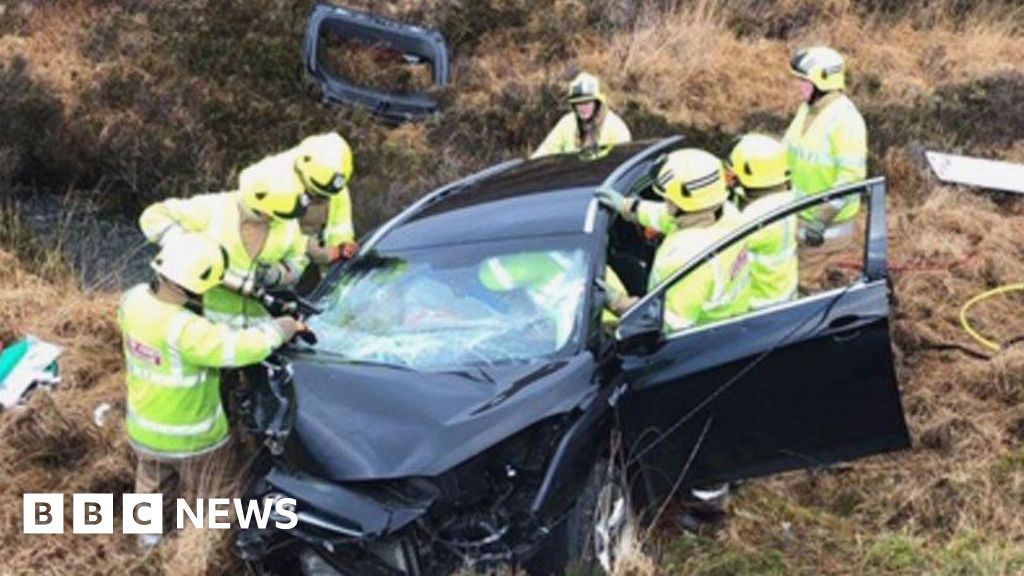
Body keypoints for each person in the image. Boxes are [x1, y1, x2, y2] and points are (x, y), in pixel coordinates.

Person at [118, 233, 303, 548]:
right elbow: (238, 348)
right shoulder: (187, 330)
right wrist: (282, 328)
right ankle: (198, 547)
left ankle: (147, 545)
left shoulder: (132, 300)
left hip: (144, 431)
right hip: (194, 439)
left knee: (150, 485)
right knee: (209, 494)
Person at [596, 148, 751, 331]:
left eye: (668, 198)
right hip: (737, 321)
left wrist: (618, 303)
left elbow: (666, 324)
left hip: (704, 342)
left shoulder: (687, 259)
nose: (666, 202)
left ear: (682, 202)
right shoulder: (728, 214)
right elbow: (668, 216)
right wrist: (628, 207)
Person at [139, 171, 309, 327]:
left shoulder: (286, 220)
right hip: (211, 326)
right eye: (270, 216)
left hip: (262, 329)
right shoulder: (214, 209)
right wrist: (187, 248)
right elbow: (153, 216)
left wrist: (278, 275)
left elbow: (299, 258)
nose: (273, 221)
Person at [783, 46, 867, 257]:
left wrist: (822, 219)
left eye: (803, 81)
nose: (798, 87)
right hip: (799, 218)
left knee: (809, 285)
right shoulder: (807, 110)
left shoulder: (845, 120)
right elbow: (787, 151)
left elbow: (850, 179)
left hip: (826, 232)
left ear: (822, 82)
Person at [239, 132, 359, 266]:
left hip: (303, 260)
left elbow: (340, 223)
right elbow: (280, 234)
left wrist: (343, 244)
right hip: (262, 258)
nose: (318, 198)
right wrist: (310, 248)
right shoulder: (273, 179)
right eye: (314, 192)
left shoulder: (332, 182)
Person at [726, 134, 799, 309]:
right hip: (784, 294)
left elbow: (716, 238)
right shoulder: (789, 197)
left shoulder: (754, 220)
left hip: (759, 305)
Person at [531, 72, 632, 158]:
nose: (583, 108)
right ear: (574, 105)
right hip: (572, 177)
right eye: (579, 103)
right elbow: (546, 150)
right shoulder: (566, 123)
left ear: (596, 103)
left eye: (587, 103)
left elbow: (623, 163)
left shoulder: (616, 127)